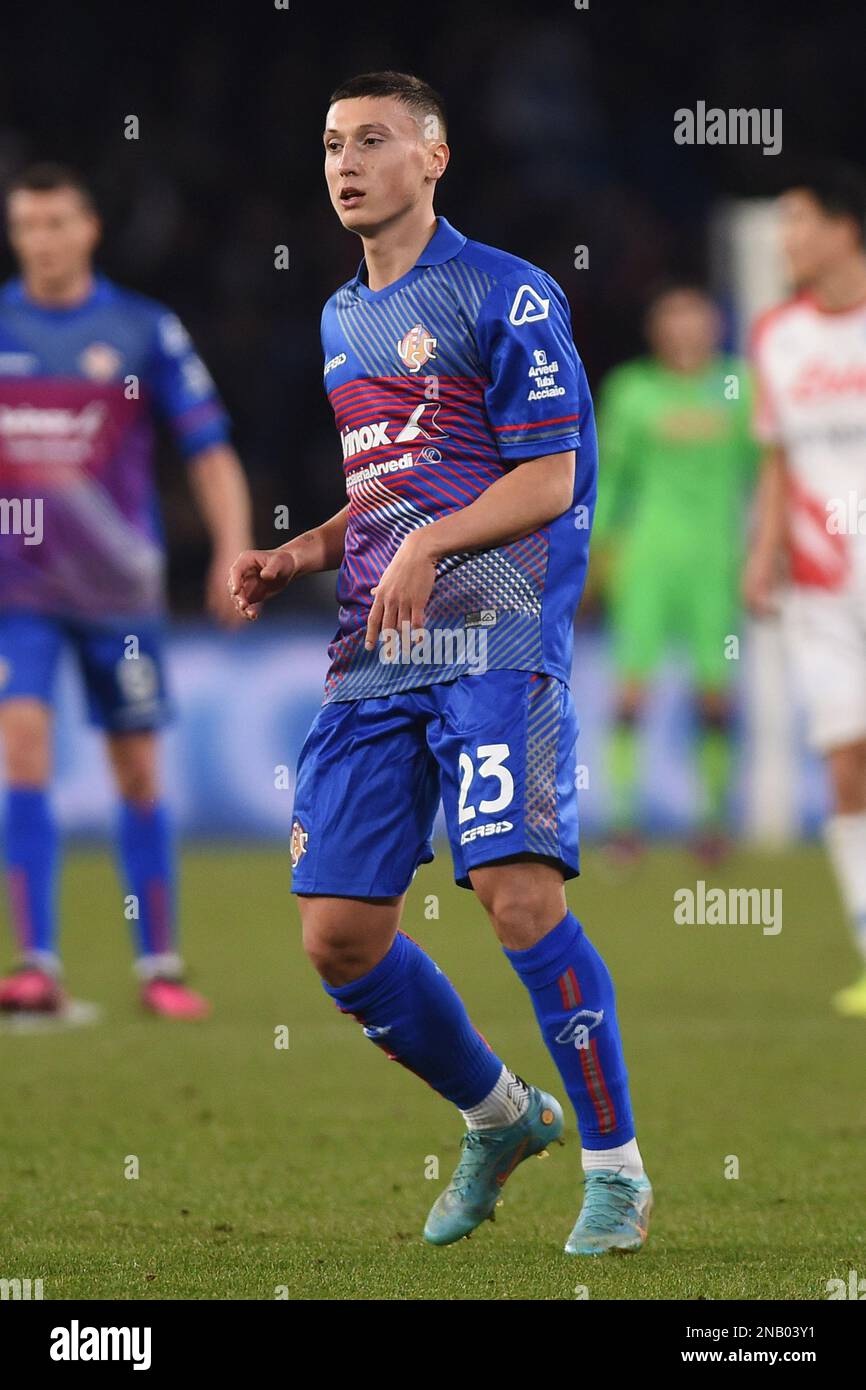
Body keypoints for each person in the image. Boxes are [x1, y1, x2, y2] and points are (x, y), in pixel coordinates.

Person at [230, 71, 652, 1253]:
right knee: (338, 936)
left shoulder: (505, 294)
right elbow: (386, 497)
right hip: (375, 644)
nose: (344, 163)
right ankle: (501, 1114)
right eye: (329, 145)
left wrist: (421, 540)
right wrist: (302, 551)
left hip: (496, 633)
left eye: (371, 140)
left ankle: (615, 1171)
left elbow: (546, 479)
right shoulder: (336, 318)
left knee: (518, 896)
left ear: (435, 156)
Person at [0, 163, 252, 1018]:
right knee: (23, 743)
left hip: (119, 594)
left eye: (56, 223)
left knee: (138, 770)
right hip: (18, 587)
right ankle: (35, 963)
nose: (42, 240)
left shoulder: (141, 330)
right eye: (27, 225)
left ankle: (161, 969)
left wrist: (232, 544)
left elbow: (208, 447)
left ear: (90, 229)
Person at [746, 163, 866, 1018]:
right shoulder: (775, 336)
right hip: (822, 586)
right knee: (847, 760)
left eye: (798, 220)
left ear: (844, 228)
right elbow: (780, 455)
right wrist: (761, 552)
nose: (784, 239)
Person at [592, 284, 757, 863]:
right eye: (674, 324)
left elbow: (767, 472)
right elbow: (609, 478)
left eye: (696, 323)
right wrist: (601, 549)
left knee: (715, 694)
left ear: (715, 328)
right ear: (657, 333)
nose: (685, 335)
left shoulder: (741, 390)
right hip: (647, 559)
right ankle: (623, 825)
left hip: (717, 562)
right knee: (632, 689)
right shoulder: (632, 393)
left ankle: (713, 824)